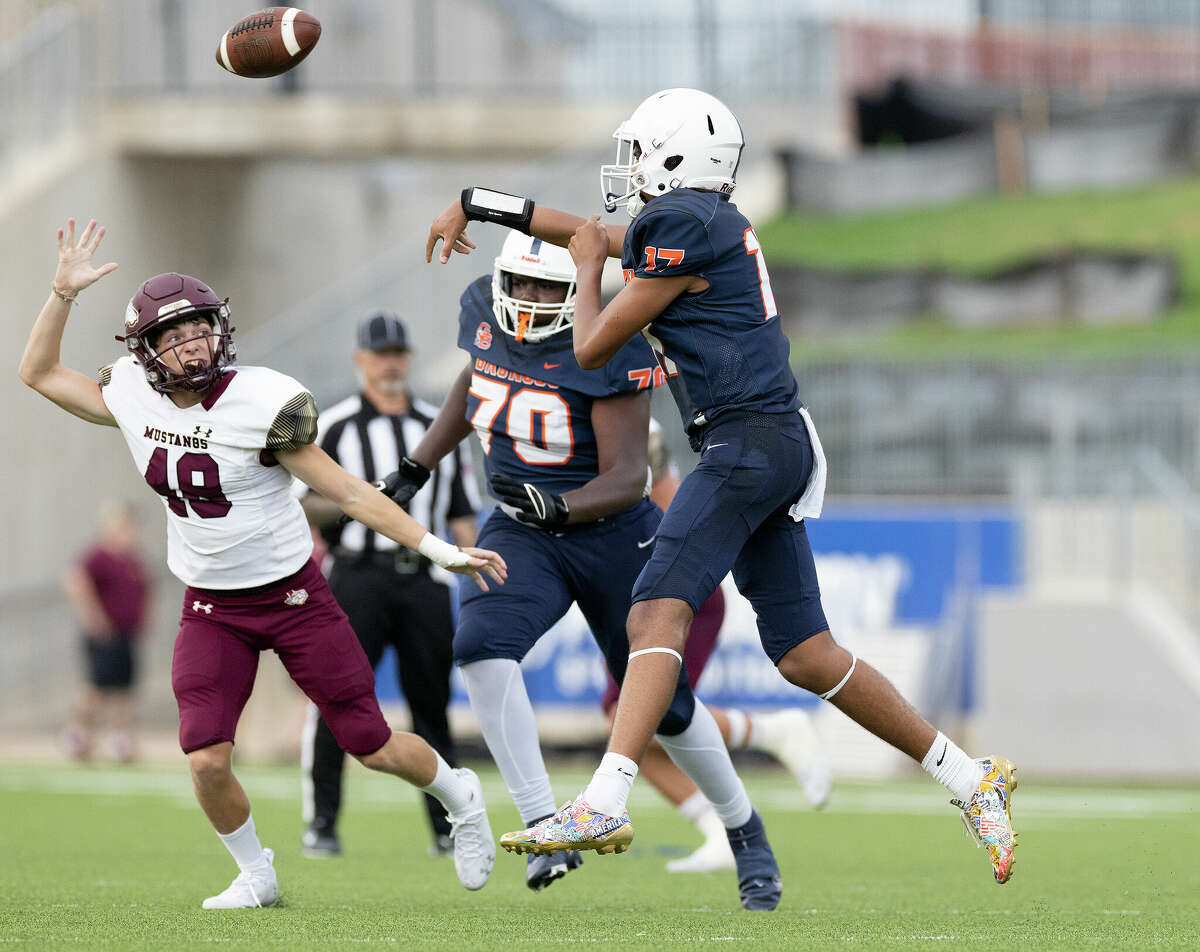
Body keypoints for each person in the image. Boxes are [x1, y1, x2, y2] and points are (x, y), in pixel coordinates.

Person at [424, 87, 1020, 887]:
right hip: (770, 439)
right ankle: (965, 775)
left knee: (653, 609)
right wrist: (478, 202)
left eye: (641, 151)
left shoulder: (684, 226)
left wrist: (592, 270)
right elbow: (583, 232)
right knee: (806, 654)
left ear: (676, 158)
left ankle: (606, 796)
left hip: (744, 440)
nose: (628, 166)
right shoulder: (697, 223)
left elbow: (594, 342)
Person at [19, 218, 507, 909]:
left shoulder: (260, 403)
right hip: (212, 605)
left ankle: (459, 796)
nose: (192, 345)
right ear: (147, 350)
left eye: (200, 329)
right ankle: (257, 874)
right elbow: (36, 372)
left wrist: (437, 548)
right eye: (174, 335)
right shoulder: (130, 394)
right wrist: (61, 295)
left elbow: (347, 492)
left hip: (294, 597)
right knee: (207, 757)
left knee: (367, 741)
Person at [376, 230, 784, 910]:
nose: (531, 301)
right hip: (521, 528)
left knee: (667, 707)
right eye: (523, 285)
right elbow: (475, 379)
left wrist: (561, 503)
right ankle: (545, 824)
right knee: (480, 646)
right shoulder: (483, 310)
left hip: (612, 534)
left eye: (548, 288)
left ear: (579, 294)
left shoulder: (613, 341)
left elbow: (629, 476)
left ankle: (744, 830)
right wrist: (420, 464)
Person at [599, 419, 831, 874]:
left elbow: (665, 514)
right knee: (631, 726)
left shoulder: (627, 421)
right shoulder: (553, 406)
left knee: (635, 719)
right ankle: (723, 827)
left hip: (673, 598)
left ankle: (768, 737)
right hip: (639, 600)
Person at [298, 310, 481, 859]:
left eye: (398, 352)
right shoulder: (334, 425)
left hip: (423, 580)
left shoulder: (437, 425)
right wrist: (356, 506)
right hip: (357, 577)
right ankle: (322, 823)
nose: (390, 363)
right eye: (380, 353)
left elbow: (460, 507)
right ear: (360, 360)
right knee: (336, 700)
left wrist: (471, 582)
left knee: (432, 707)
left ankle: (446, 829)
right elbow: (303, 501)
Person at [60, 500, 151, 763]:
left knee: (124, 688)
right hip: (105, 634)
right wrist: (93, 617)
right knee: (98, 688)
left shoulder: (132, 560)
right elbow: (74, 579)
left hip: (127, 633)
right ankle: (77, 733)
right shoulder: (99, 556)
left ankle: (119, 739)